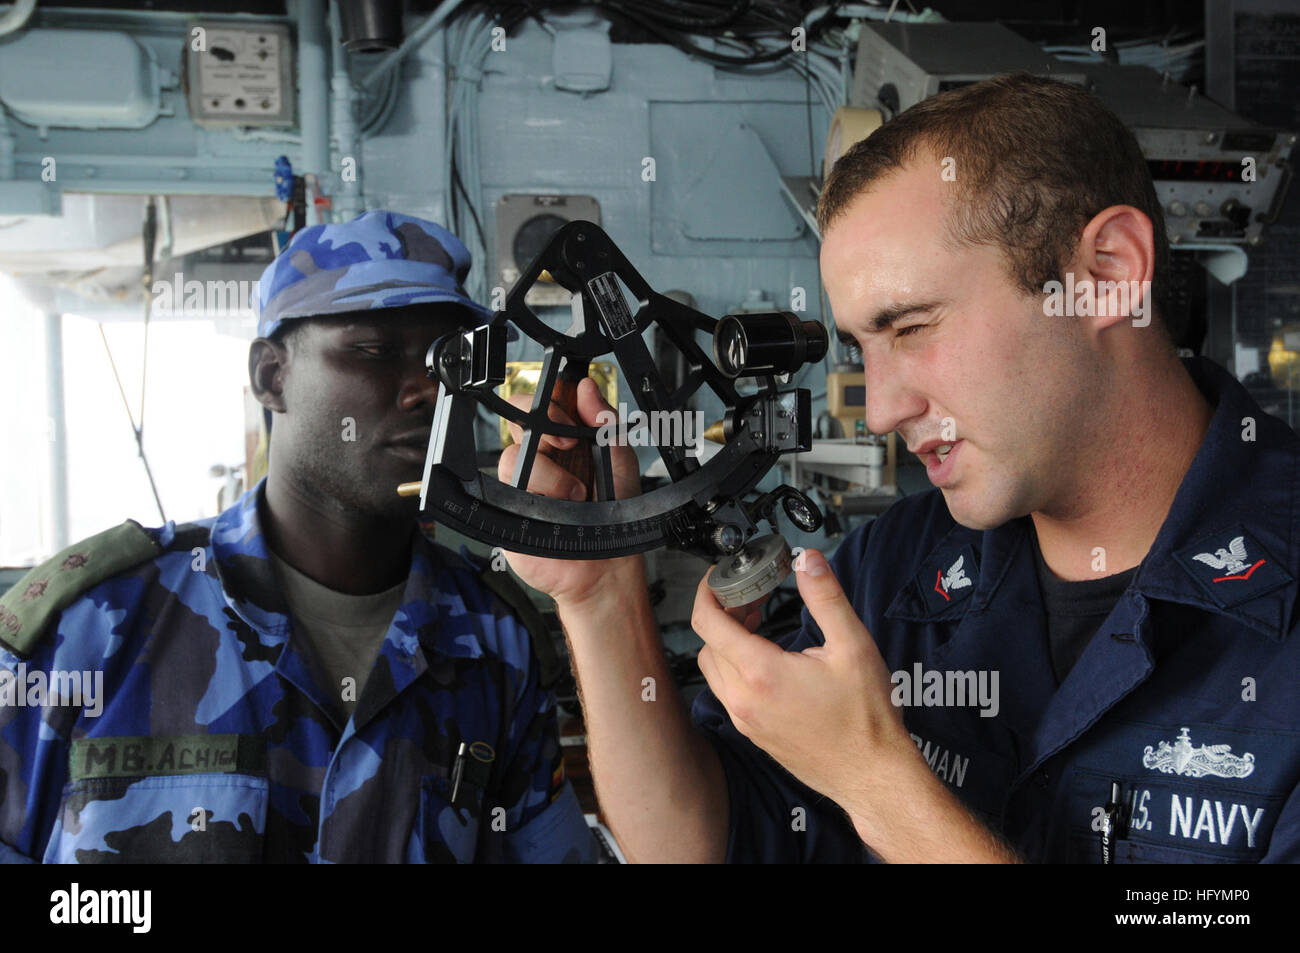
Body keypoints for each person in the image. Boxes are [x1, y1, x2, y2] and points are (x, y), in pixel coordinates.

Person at [501, 74, 1300, 862]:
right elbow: (696, 842)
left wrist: (878, 782)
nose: (880, 409)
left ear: (1108, 274)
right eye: (860, 348)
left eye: (912, 327)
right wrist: (601, 595)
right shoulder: (897, 571)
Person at [0, 210, 597, 863]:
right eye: (374, 350)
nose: (428, 388)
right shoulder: (91, 625)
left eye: (448, 360)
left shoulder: (494, 640)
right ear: (270, 375)